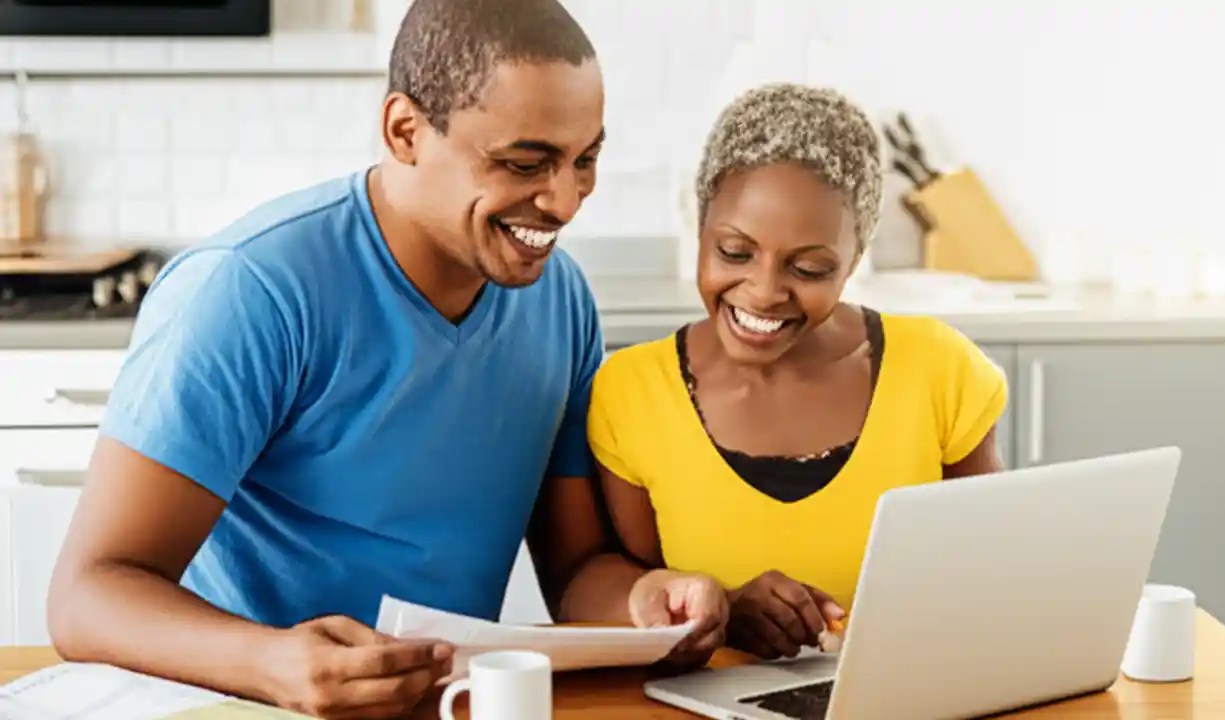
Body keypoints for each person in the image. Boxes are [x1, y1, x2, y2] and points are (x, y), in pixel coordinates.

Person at [46, 1, 724, 717]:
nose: (564, 200)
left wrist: (647, 601)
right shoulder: (251, 292)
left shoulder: (560, 302)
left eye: (585, 159)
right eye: (526, 163)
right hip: (246, 705)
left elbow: (576, 569)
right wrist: (273, 664)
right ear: (405, 130)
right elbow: (87, 595)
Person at [586, 83, 1008, 661]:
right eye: (734, 252)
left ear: (854, 259)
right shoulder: (633, 392)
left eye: (809, 267)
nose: (763, 292)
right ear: (701, 227)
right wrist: (725, 609)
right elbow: (619, 582)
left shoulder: (938, 369)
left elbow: (995, 568)